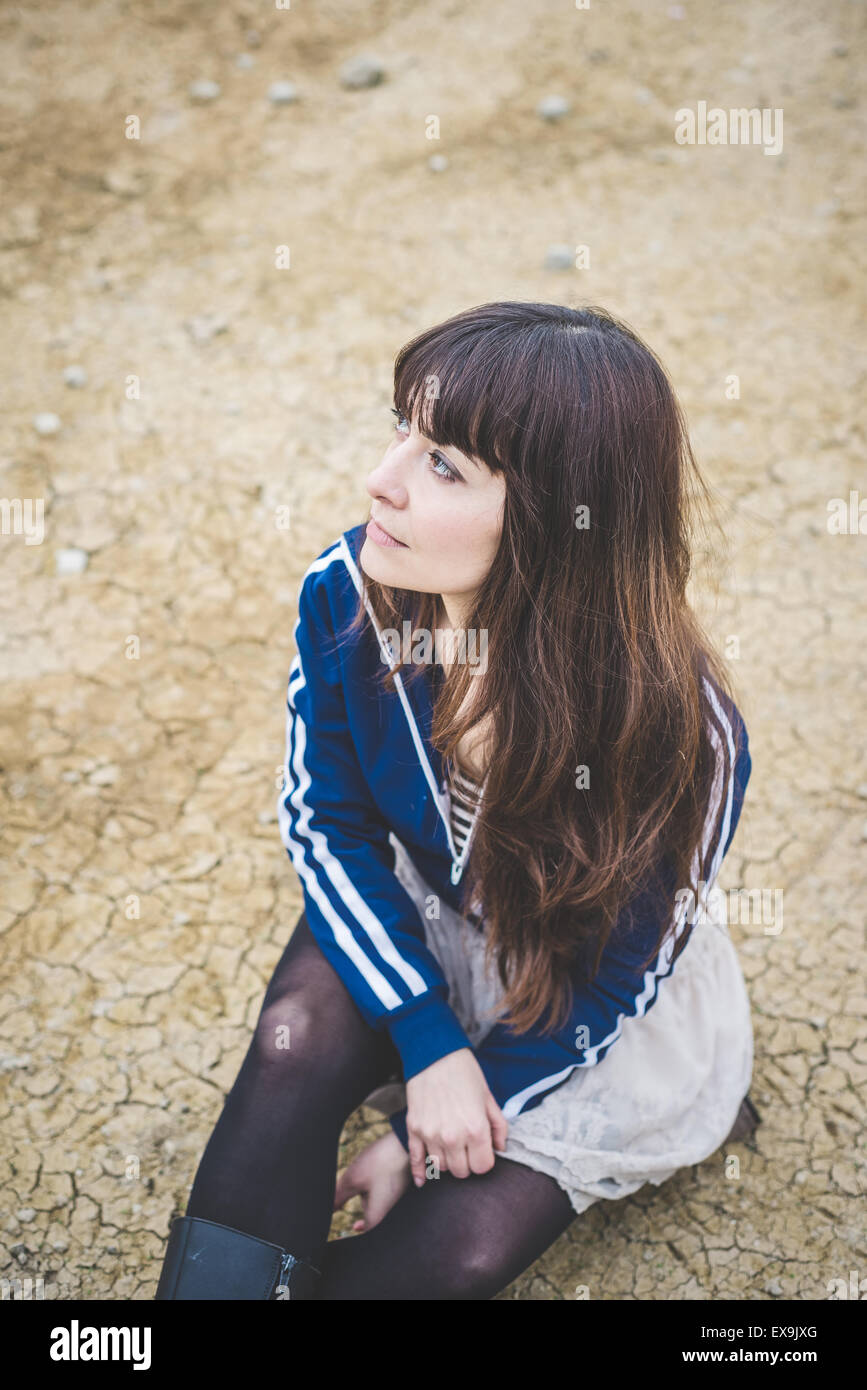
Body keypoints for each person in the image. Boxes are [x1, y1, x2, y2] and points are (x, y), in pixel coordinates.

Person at [154, 300, 757, 1302]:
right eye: (404, 429)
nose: (378, 481)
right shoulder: (348, 594)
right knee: (290, 1038)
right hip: (415, 914)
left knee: (464, 1249)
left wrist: (413, 1134)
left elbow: (613, 974)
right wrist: (430, 1045)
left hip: (565, 990)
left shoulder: (684, 734)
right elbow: (327, 824)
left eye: (444, 466)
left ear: (561, 519)